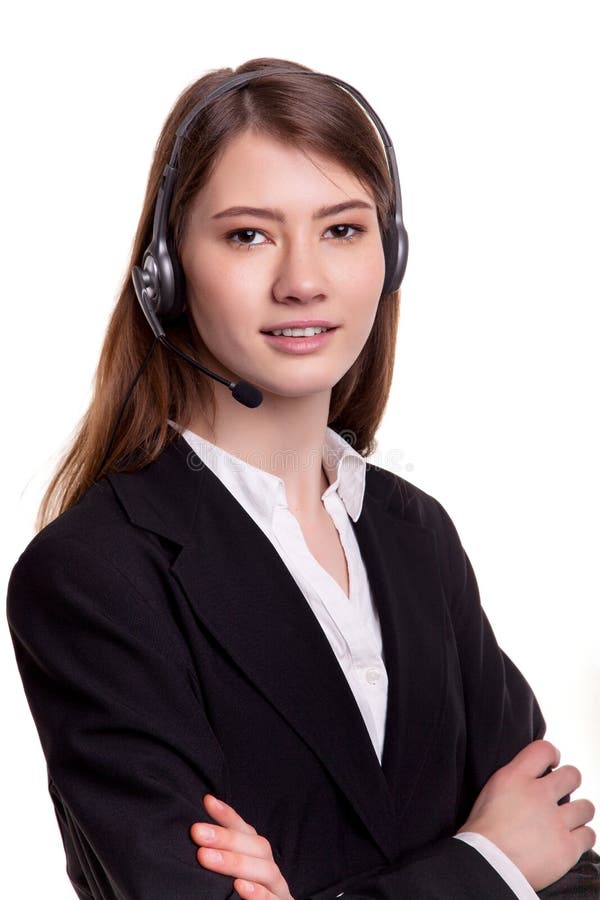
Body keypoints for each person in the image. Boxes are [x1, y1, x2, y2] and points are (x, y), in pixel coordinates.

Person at [6, 57, 599, 900]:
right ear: (165, 273)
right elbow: (521, 860)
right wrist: (485, 863)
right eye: (248, 234)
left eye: (343, 230)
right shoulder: (95, 574)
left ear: (389, 257)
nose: (302, 281)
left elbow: (567, 865)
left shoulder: (416, 533)